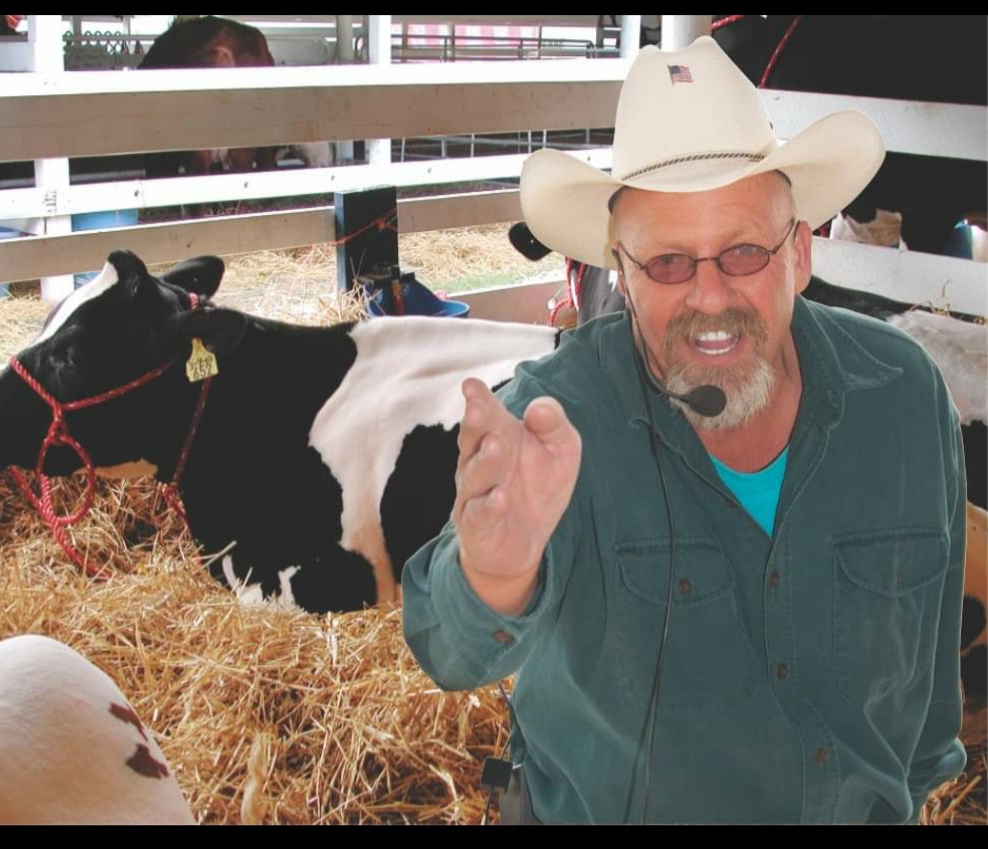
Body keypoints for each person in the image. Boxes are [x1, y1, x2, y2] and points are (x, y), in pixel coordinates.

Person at [402, 36, 967, 824]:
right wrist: (499, 570)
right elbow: (447, 646)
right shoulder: (555, 417)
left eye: (742, 251)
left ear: (799, 254)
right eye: (668, 262)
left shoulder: (902, 399)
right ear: (622, 274)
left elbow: (930, 708)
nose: (709, 296)